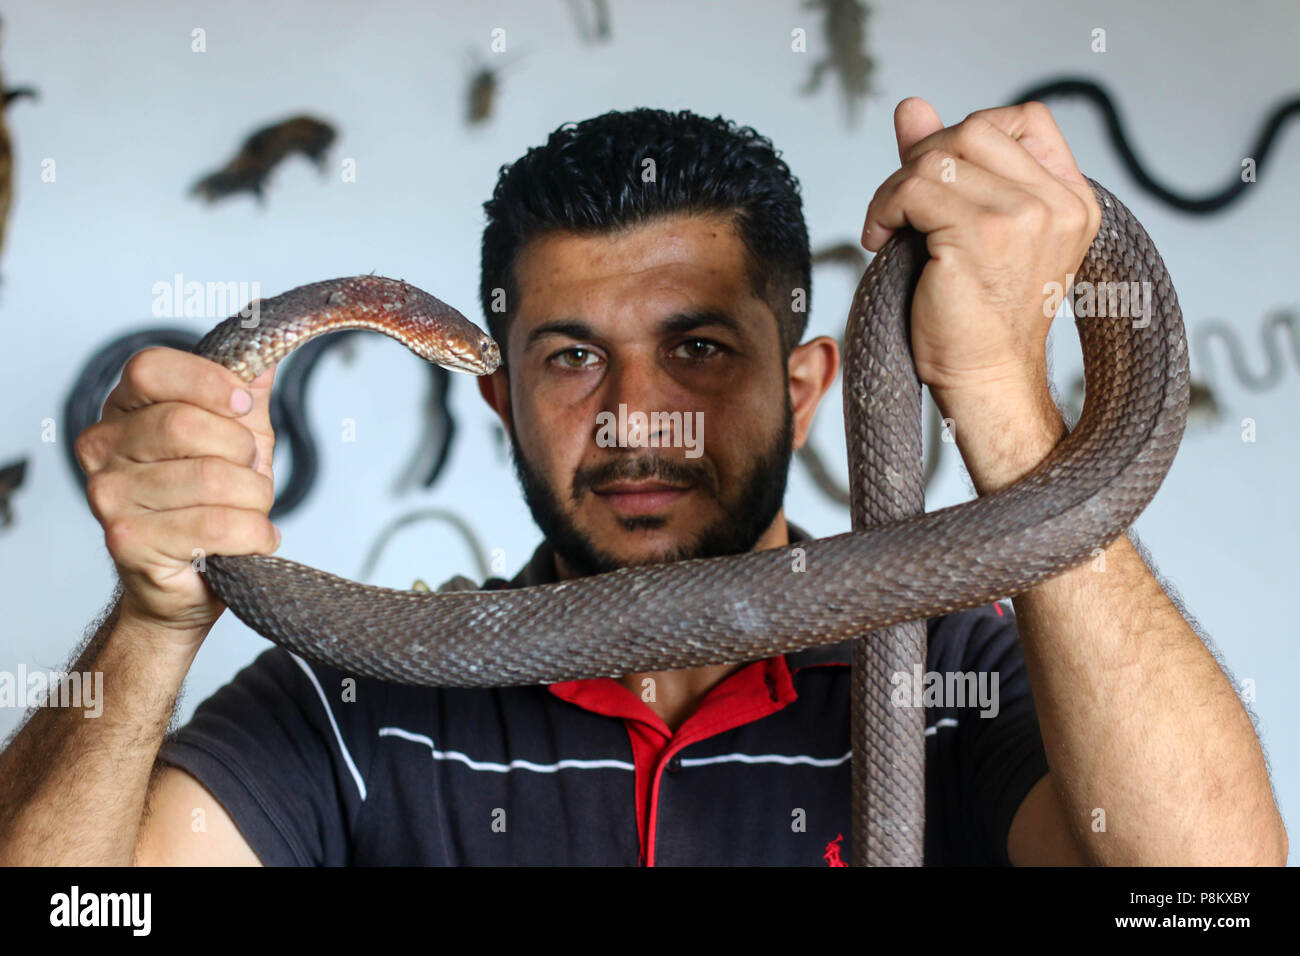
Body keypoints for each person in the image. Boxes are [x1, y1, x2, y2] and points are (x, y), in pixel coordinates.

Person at [0, 100, 1286, 866]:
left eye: (701, 346)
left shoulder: (950, 668)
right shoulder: (360, 694)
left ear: (804, 383)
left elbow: (1204, 887)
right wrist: (156, 618)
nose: (635, 413)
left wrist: (1004, 404)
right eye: (570, 356)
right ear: (498, 396)